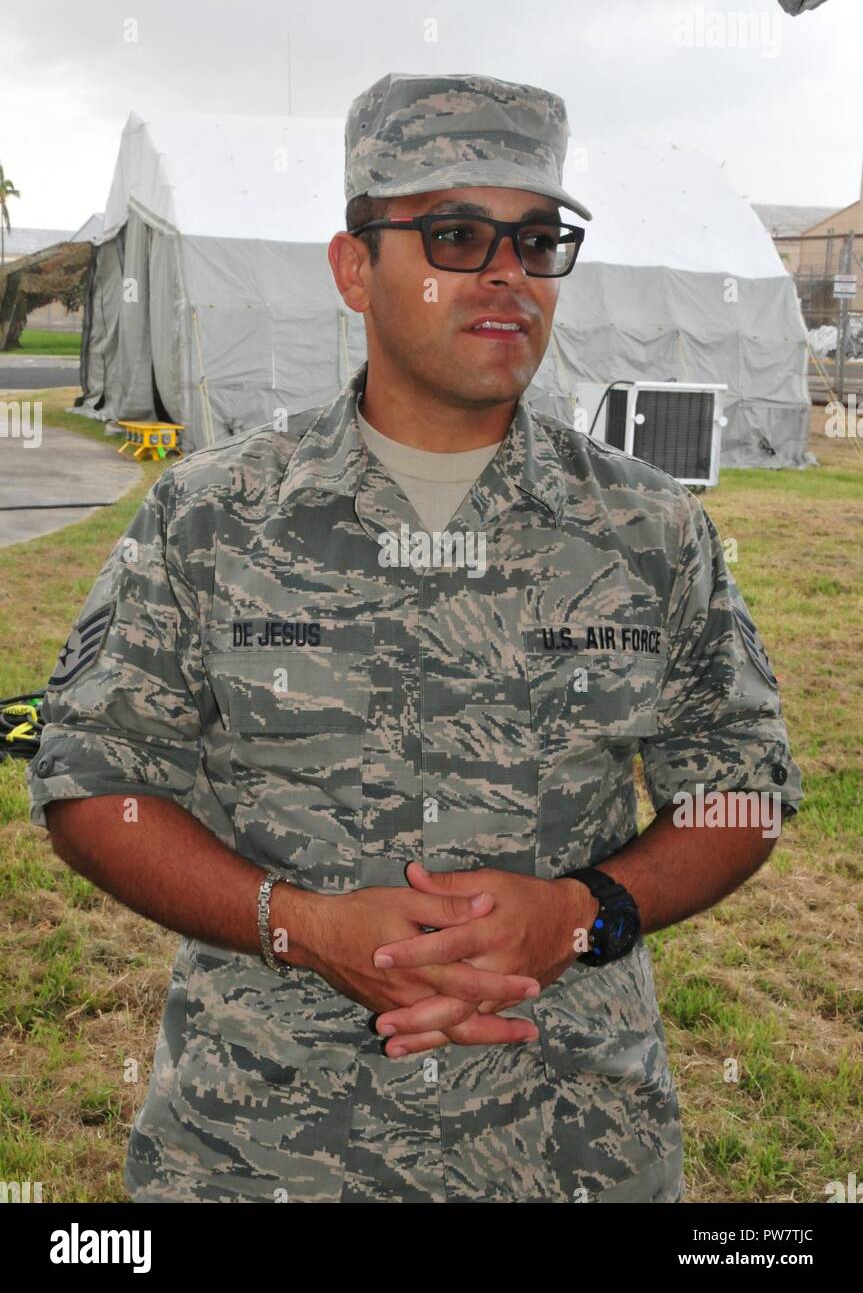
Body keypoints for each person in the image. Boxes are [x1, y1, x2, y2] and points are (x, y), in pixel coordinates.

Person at [27, 71, 802, 1204]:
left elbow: (742, 791)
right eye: (455, 233)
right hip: (264, 1147)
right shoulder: (211, 515)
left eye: (537, 241)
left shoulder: (649, 530)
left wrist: (583, 913)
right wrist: (299, 927)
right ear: (354, 267)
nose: (504, 274)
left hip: (566, 1144)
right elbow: (91, 781)